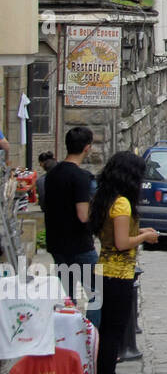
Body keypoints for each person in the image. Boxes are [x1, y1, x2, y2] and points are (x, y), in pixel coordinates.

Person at [90, 152, 159, 374]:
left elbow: (113, 232)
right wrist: (144, 237)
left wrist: (138, 230)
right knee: (113, 333)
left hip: (104, 270)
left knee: (108, 329)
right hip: (117, 273)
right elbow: (121, 242)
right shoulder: (122, 204)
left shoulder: (106, 199)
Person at [43, 127, 97, 304]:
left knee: (67, 298)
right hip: (79, 245)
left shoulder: (51, 175)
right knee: (98, 294)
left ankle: (68, 330)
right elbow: (83, 215)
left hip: (57, 243)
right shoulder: (80, 177)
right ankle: (94, 330)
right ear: (87, 148)